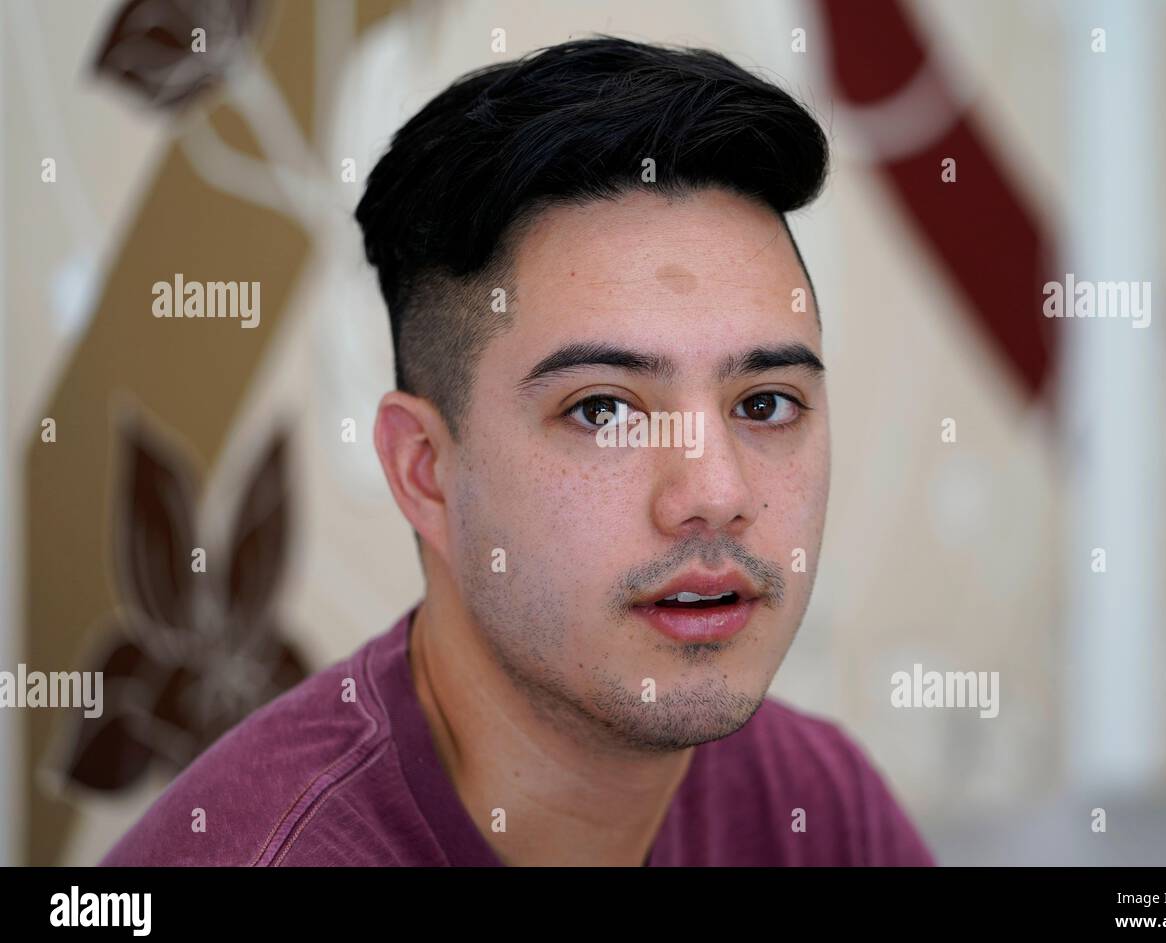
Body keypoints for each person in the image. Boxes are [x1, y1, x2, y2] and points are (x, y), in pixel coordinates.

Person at [102, 35, 934, 867]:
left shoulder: (819, 808)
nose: (716, 490)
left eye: (764, 403)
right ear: (424, 470)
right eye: (604, 410)